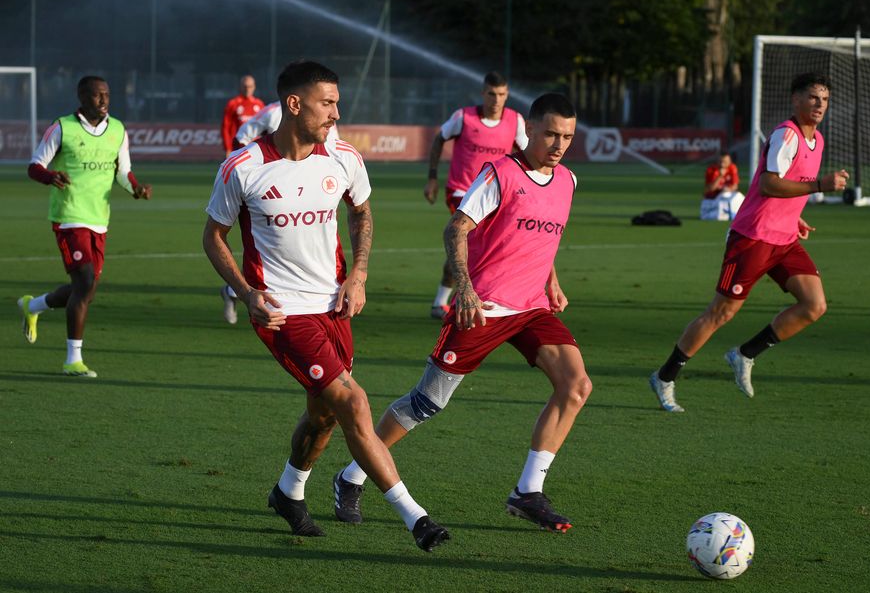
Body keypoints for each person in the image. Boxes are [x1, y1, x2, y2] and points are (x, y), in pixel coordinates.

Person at [202, 60, 449, 551]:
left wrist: (358, 274)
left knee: (324, 417)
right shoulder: (244, 166)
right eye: (327, 103)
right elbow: (213, 237)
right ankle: (415, 517)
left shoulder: (343, 158)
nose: (337, 112)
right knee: (353, 402)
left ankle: (288, 492)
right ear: (295, 105)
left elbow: (361, 212)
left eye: (337, 101)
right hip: (283, 313)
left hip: (334, 306)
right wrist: (248, 293)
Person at [332, 93, 591, 534]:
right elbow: (456, 228)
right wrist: (466, 291)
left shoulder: (567, 181)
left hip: (531, 308)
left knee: (576, 385)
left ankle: (527, 492)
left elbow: (543, 239)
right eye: (551, 133)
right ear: (529, 129)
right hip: (483, 307)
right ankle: (352, 476)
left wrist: (552, 283)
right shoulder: (501, 174)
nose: (559, 143)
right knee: (426, 403)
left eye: (567, 135)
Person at [648, 72, 850, 412]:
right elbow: (770, 184)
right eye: (813, 97)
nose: (820, 105)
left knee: (814, 305)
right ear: (795, 100)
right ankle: (664, 377)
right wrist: (820, 186)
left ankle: (744, 354)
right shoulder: (786, 135)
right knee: (720, 313)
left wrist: (794, 214)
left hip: (784, 239)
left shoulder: (819, 141)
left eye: (825, 99)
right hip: (753, 238)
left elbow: (785, 186)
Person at [18, 75, 152, 377]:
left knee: (86, 289)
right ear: (82, 97)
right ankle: (72, 360)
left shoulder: (117, 129)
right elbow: (34, 166)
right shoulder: (62, 126)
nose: (103, 100)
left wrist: (136, 190)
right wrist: (51, 176)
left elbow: (123, 171)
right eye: (96, 95)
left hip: (99, 218)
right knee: (85, 282)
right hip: (68, 216)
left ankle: (34, 306)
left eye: (106, 94)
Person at [218, 101, 339, 324]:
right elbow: (243, 135)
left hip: (309, 185)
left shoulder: (324, 117)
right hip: (271, 189)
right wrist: (247, 171)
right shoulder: (272, 112)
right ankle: (237, 292)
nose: (334, 112)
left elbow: (332, 146)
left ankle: (234, 292)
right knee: (273, 252)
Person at [424, 71, 528, 319]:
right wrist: (432, 178)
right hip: (462, 191)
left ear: (507, 95)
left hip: (495, 194)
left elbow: (526, 155)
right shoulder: (464, 117)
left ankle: (451, 300)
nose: (496, 99)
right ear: (483, 93)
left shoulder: (516, 121)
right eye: (491, 94)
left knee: (479, 244)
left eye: (501, 94)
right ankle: (451, 301)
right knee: (468, 240)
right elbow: (439, 139)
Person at [220, 75, 264, 156]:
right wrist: (228, 148)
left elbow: (264, 128)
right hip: (237, 148)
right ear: (240, 87)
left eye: (250, 86)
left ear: (254, 87)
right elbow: (225, 128)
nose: (247, 89)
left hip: (255, 148)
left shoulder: (259, 104)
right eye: (245, 86)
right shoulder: (233, 104)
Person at [700, 151, 744, 221]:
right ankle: (728, 214)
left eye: (725, 162)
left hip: (724, 200)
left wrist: (727, 189)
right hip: (711, 201)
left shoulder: (732, 168)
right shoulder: (711, 170)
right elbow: (710, 189)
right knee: (724, 196)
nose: (722, 164)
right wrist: (720, 176)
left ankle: (734, 213)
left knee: (738, 195)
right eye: (720, 161)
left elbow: (735, 186)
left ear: (729, 161)